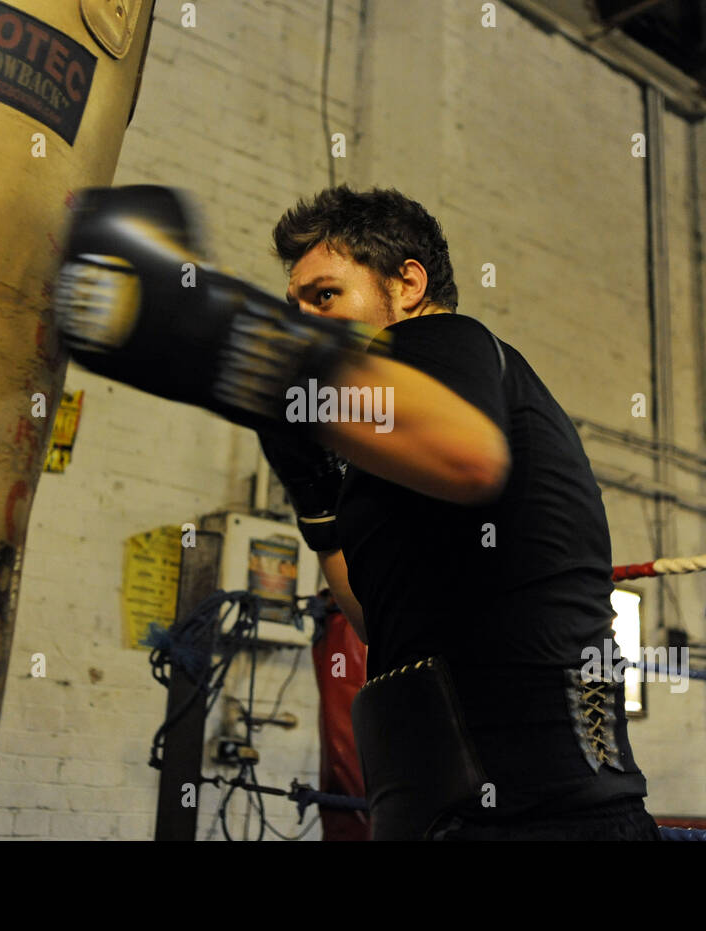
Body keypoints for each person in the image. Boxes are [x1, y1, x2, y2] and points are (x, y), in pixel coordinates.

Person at [52, 182, 659, 840]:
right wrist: (316, 500)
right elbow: (372, 616)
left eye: (326, 296)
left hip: (546, 812)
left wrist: (228, 343)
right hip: (443, 809)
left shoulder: (444, 342)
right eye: (297, 305)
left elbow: (469, 454)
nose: (310, 319)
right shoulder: (386, 453)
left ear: (407, 283)